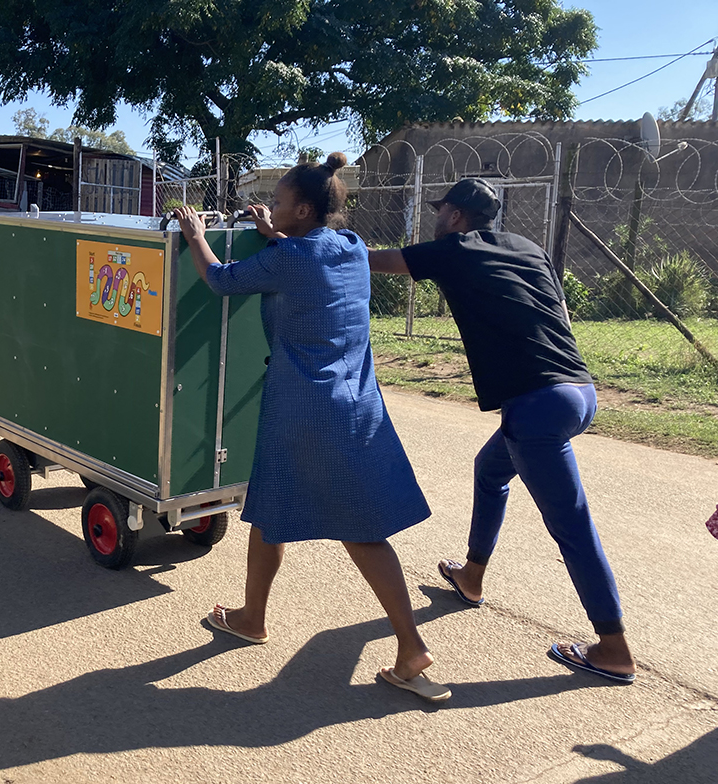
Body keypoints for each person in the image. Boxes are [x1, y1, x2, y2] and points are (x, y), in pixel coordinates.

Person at [174, 153, 449, 702]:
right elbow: (305, 258)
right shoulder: (347, 248)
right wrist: (276, 233)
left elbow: (221, 280)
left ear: (302, 208)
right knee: (276, 506)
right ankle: (252, 616)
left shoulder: (290, 258)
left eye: (277, 202)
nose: (270, 208)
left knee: (355, 528)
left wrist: (195, 233)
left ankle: (410, 646)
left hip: (306, 409)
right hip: (354, 402)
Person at [368, 177, 636, 684]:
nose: (437, 215)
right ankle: (471, 577)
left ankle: (614, 648)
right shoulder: (527, 247)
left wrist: (296, 239)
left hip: (535, 407)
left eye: (440, 208)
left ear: (455, 215)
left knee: (572, 526)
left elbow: (372, 260)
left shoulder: (453, 250)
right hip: (578, 390)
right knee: (491, 470)